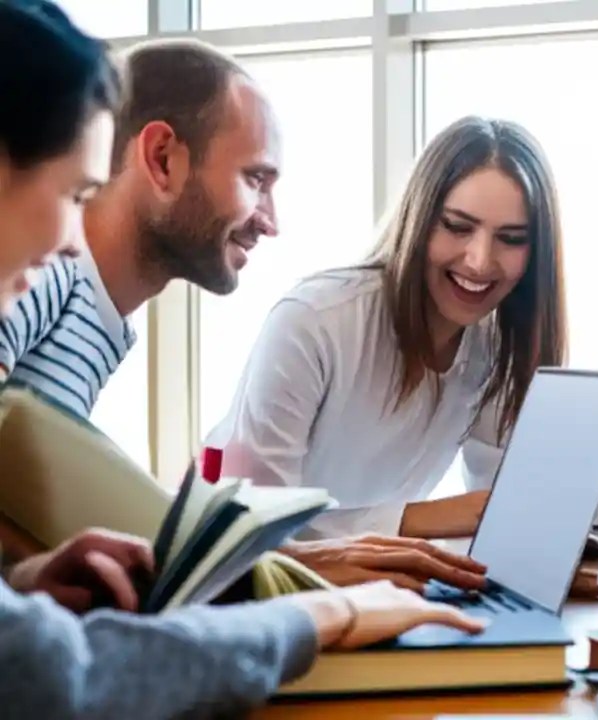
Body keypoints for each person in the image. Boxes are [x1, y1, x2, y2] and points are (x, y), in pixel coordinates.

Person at [0, 3, 483, 717]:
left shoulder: (77, 307)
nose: (272, 218)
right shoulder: (45, 282)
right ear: (162, 158)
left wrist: (28, 581)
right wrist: (319, 610)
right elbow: (55, 675)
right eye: (256, 179)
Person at [209, 115, 567, 540]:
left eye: (511, 239)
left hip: (370, 587)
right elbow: (254, 527)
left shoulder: (493, 351)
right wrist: (412, 520)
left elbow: (498, 512)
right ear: (419, 218)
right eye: (457, 226)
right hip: (237, 584)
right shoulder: (315, 320)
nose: (479, 260)